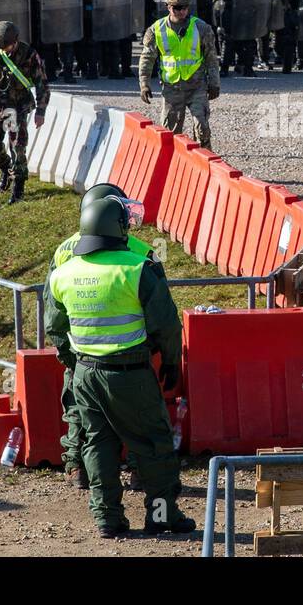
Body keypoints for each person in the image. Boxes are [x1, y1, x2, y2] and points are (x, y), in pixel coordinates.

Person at [46, 198, 195, 537]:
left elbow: (55, 328)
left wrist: (75, 363)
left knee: (98, 445)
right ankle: (161, 516)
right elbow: (167, 324)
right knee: (154, 445)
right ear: (119, 228)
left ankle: (107, 520)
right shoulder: (136, 268)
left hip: (85, 374)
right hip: (129, 374)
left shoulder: (64, 273)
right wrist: (171, 361)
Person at [50, 185, 161, 489]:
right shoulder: (140, 251)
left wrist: (69, 356)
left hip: (81, 352)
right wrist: (148, 348)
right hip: (131, 353)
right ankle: (139, 471)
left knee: (79, 409)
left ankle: (77, 467)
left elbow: (54, 314)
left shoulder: (63, 252)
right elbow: (160, 310)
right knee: (141, 416)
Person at [0, 20, 50, 204]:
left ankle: (18, 186)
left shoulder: (29, 55)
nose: (4, 50)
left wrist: (41, 111)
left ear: (15, 41)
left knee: (17, 147)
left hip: (17, 108)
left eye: (7, 46)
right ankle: (6, 169)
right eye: (0, 47)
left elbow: (42, 85)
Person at [139, 0, 221, 149]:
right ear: (168, 7)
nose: (181, 11)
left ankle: (205, 162)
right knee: (171, 133)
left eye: (184, 7)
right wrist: (144, 84)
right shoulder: (157, 29)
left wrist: (214, 83)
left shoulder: (201, 28)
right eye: (177, 8)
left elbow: (211, 58)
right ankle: (172, 164)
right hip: (172, 88)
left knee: (202, 127)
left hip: (196, 86)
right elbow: (147, 58)